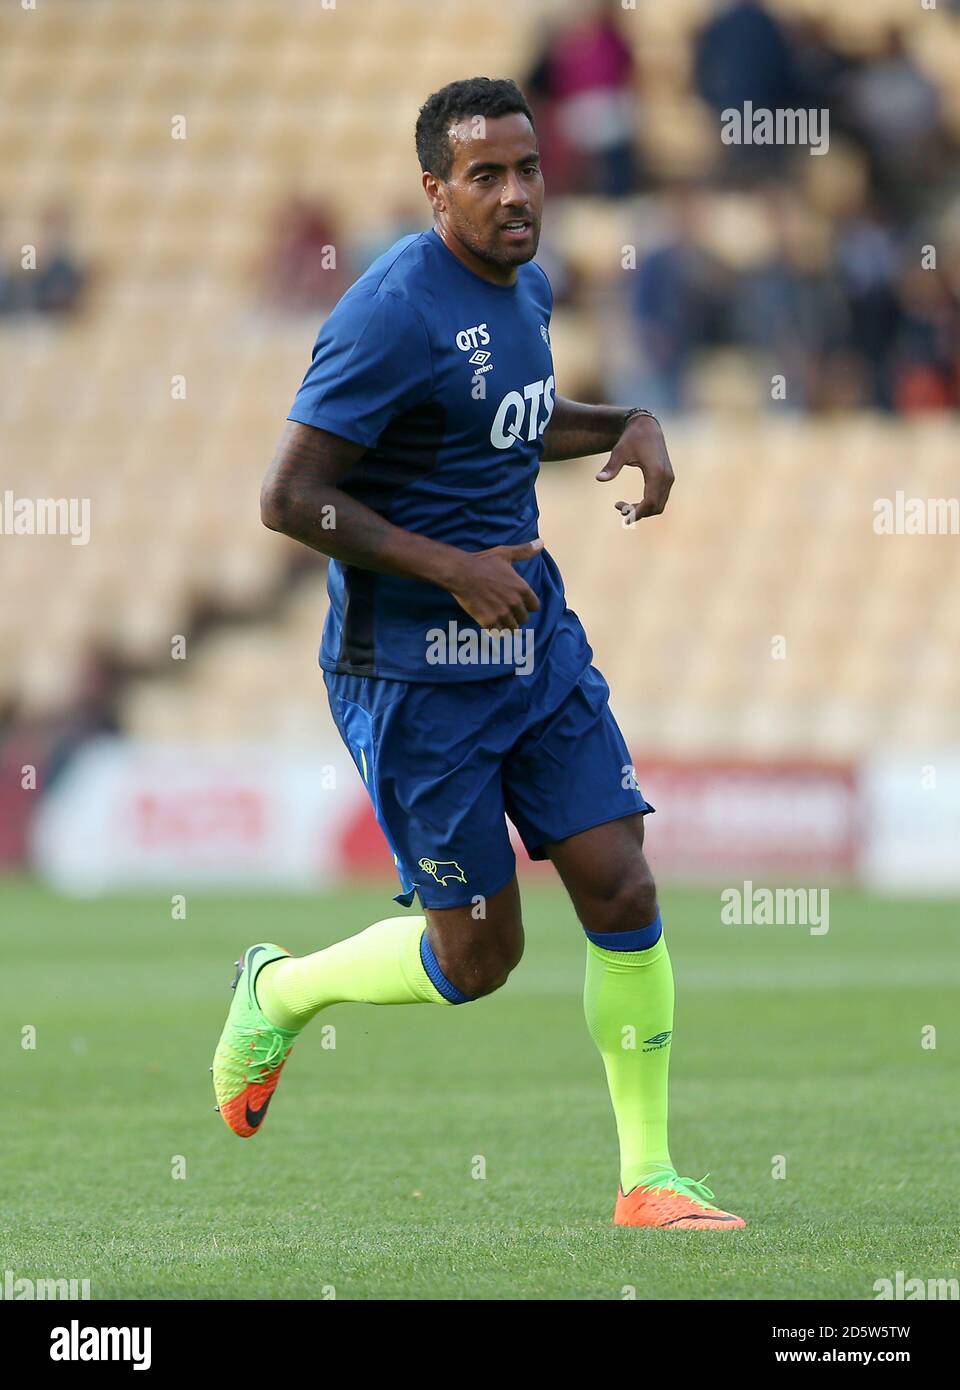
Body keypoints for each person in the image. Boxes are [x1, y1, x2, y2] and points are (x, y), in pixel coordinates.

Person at [212, 77, 744, 1231]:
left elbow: (514, 410)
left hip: (529, 635)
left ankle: (647, 1178)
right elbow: (290, 497)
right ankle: (280, 989)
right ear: (434, 190)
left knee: (621, 878)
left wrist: (628, 423)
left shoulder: (531, 286)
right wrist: (449, 564)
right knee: (478, 955)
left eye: (528, 169)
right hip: (409, 665)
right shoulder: (389, 309)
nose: (515, 196)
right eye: (485, 176)